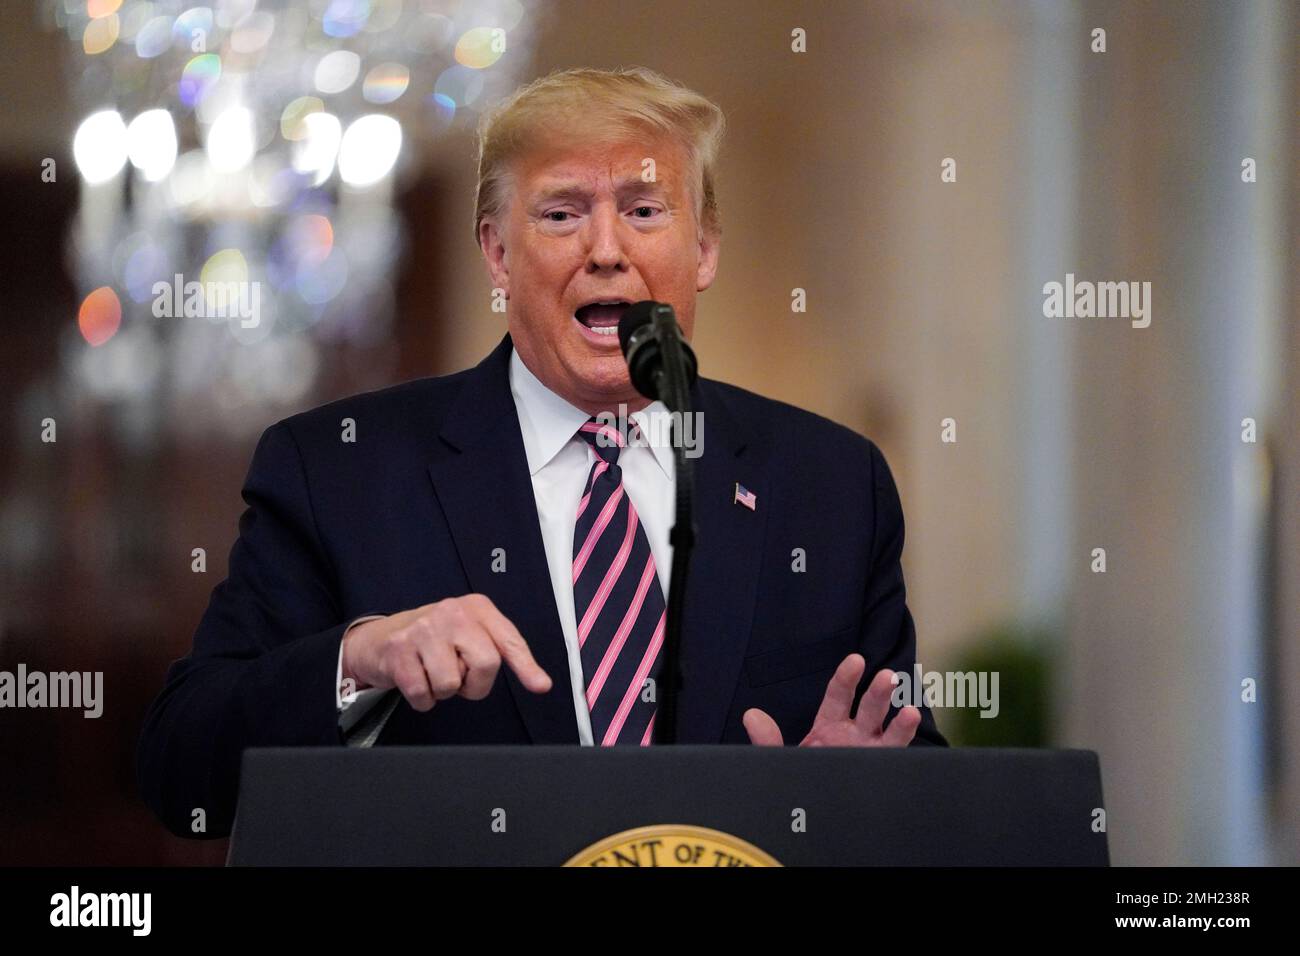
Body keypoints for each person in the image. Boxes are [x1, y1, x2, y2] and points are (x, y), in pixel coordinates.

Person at [138, 66, 946, 839]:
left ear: (704, 251)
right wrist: (362, 658)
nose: (605, 250)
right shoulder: (338, 472)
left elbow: (918, 781)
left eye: (645, 210)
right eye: (561, 214)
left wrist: (852, 802)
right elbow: (184, 772)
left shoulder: (829, 483)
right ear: (497, 254)